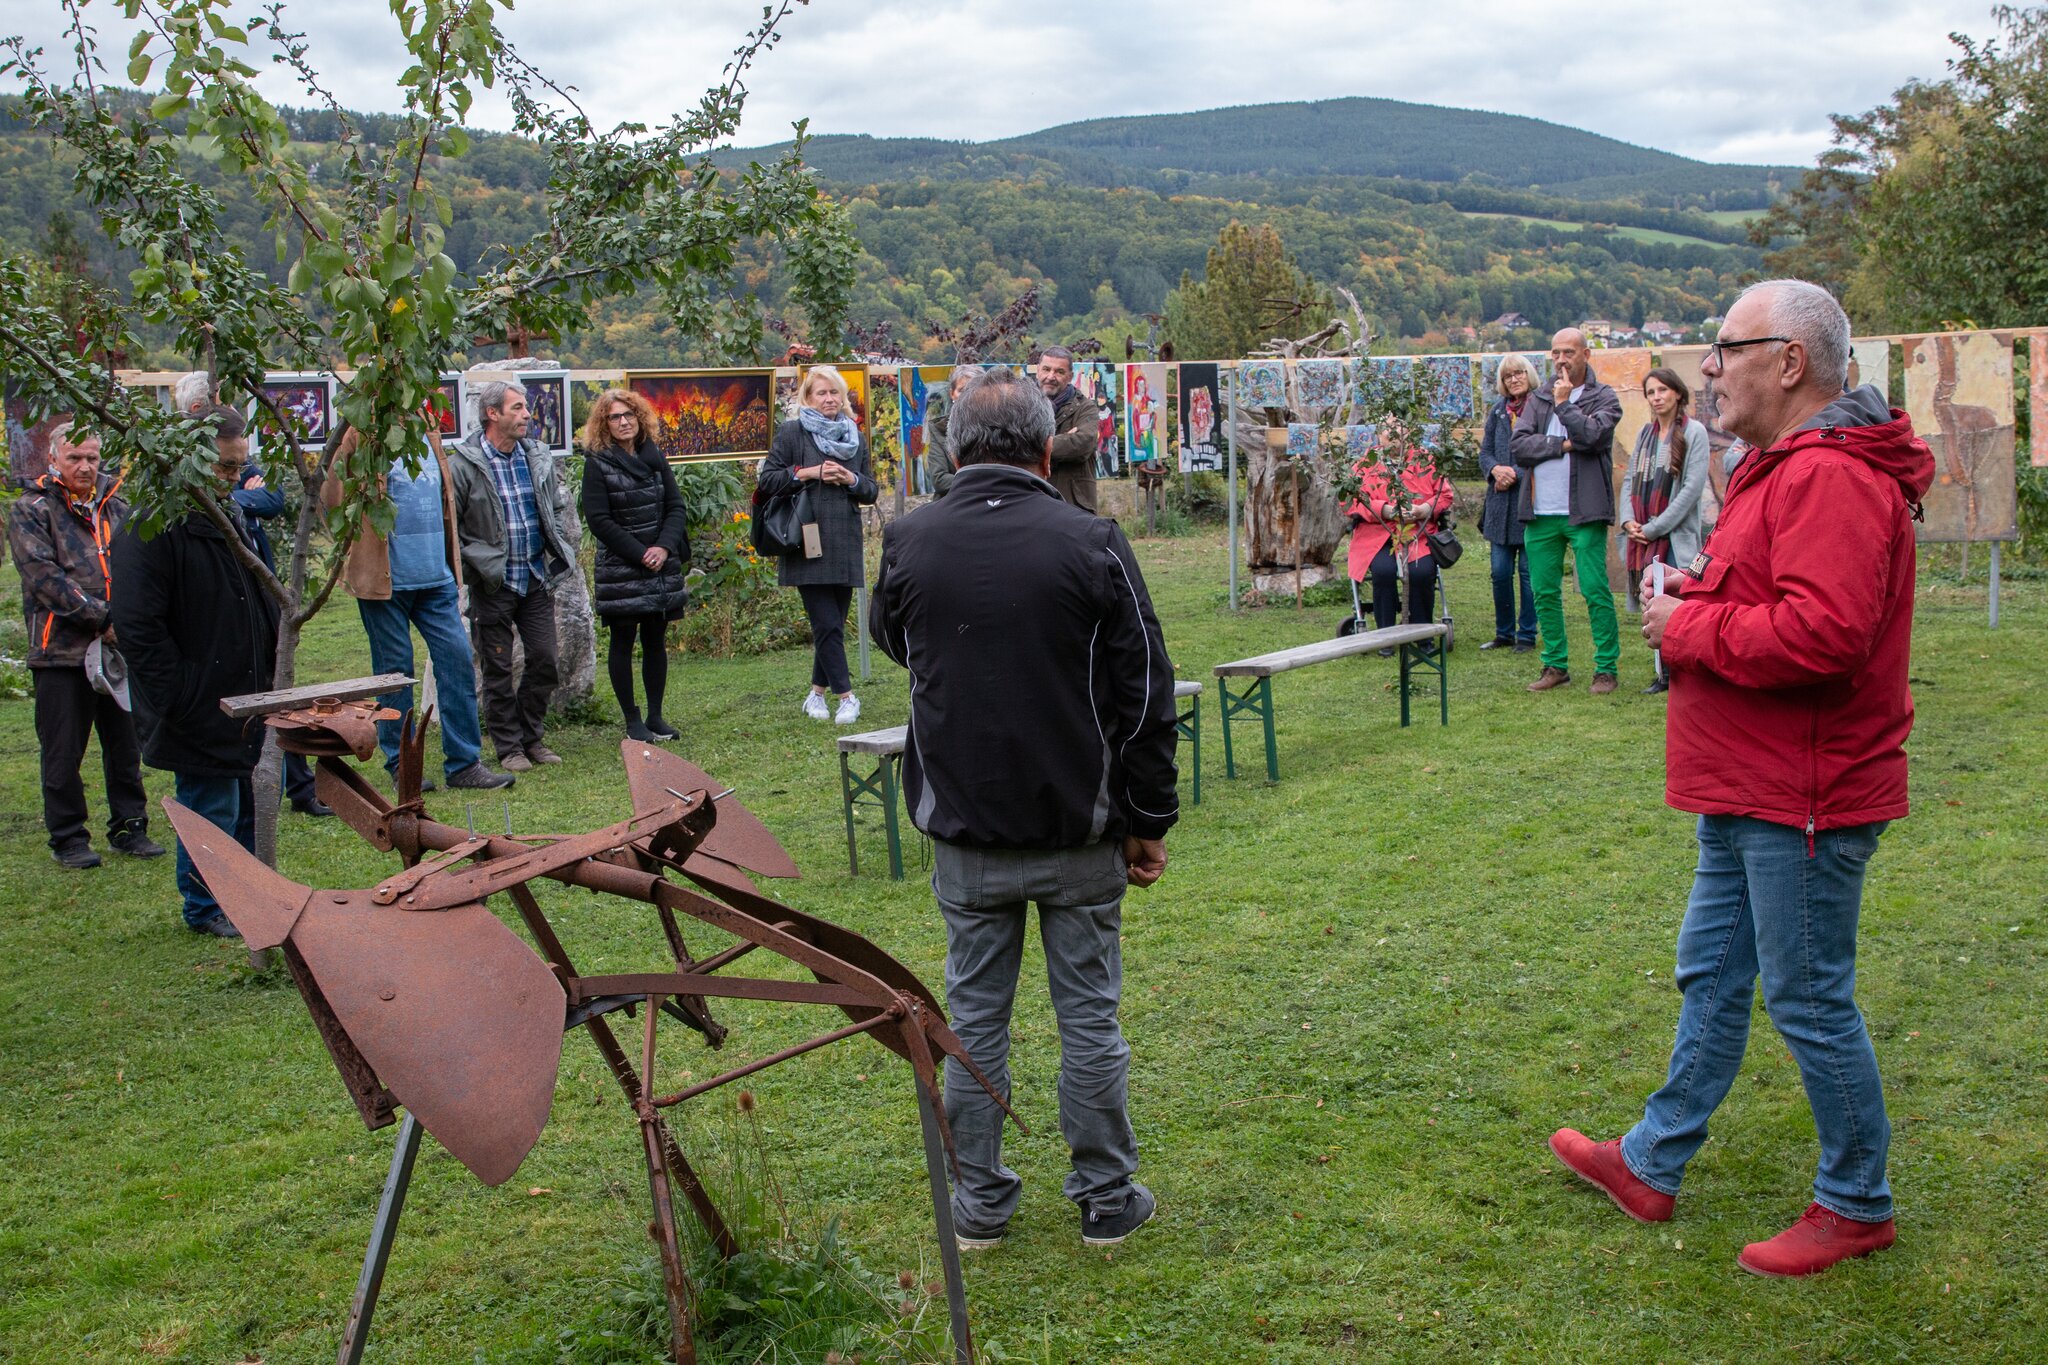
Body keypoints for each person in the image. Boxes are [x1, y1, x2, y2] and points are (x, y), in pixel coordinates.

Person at [1549, 279, 1932, 1279]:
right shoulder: (1785, 465)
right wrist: (1699, 588)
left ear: (1789, 362)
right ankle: (1650, 1160)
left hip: (1803, 788)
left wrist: (1688, 627)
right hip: (1752, 779)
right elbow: (1775, 592)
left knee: (1808, 1000)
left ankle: (1856, 1201)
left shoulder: (1830, 475)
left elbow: (1826, 636)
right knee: (1711, 973)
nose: (1709, 368)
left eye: (1726, 348)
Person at [869, 366, 1176, 1251]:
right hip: (1078, 827)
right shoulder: (1091, 539)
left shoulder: (910, 540)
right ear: (1046, 450)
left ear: (953, 449)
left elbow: (895, 638)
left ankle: (981, 1203)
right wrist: (1147, 820)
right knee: (1088, 1019)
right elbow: (1146, 693)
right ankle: (1105, 1195)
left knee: (973, 1022)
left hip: (969, 832)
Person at [111, 407, 280, 938]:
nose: (235, 478)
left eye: (240, 466)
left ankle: (245, 894)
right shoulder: (152, 524)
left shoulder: (223, 513)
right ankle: (207, 906)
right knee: (209, 804)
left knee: (244, 799)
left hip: (244, 689)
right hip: (200, 696)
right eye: (226, 467)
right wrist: (179, 694)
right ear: (191, 460)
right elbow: (137, 625)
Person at [7, 421, 162, 869]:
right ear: (53, 458)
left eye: (92, 457)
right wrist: (103, 619)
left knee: (125, 746)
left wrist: (130, 622)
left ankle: (130, 826)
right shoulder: (32, 508)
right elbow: (43, 577)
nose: (84, 466)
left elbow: (138, 566)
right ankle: (69, 836)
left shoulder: (118, 506)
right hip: (59, 651)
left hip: (117, 650)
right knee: (63, 752)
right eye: (74, 457)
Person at [326, 426, 513, 793]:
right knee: (395, 673)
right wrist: (352, 548)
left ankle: (464, 765)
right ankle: (403, 766)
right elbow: (333, 497)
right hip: (385, 582)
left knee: (457, 661)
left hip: (435, 577)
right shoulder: (362, 432)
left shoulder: (427, 430)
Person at [175, 372, 327, 815]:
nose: (228, 413)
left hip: (259, 589)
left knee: (277, 688)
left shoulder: (236, 457)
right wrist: (240, 497)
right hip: (218, 622)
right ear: (195, 413)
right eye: (216, 405)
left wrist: (237, 496)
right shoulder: (181, 481)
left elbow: (274, 500)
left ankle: (299, 785)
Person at [446, 379, 576, 773]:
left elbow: (553, 508)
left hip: (535, 576)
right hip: (493, 582)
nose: (527, 415)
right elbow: (452, 527)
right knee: (498, 667)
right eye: (517, 408)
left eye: (525, 407)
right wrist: (474, 563)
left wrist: (558, 543)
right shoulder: (463, 466)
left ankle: (531, 736)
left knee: (545, 658)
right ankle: (509, 747)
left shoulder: (535, 456)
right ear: (492, 414)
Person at [757, 366, 877, 725]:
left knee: (832, 624)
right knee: (826, 624)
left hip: (844, 538)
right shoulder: (792, 432)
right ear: (807, 398)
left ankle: (815, 695)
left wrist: (851, 478)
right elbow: (768, 480)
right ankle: (847, 698)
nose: (829, 399)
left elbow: (871, 490)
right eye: (821, 393)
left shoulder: (855, 437)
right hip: (806, 538)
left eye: (834, 392)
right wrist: (808, 473)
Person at [1512, 328, 1624, 694]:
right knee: (1544, 592)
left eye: (1569, 352)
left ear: (1586, 355)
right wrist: (1562, 444)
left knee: (1594, 590)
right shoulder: (1538, 397)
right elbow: (1519, 446)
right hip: (1540, 512)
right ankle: (1555, 665)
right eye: (1556, 352)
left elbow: (1593, 437)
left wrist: (1564, 405)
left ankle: (1605, 668)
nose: (1561, 360)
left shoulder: (1603, 397)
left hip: (1584, 511)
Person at [579, 388, 690, 743]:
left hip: (660, 564)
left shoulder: (653, 454)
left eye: (629, 415)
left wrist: (663, 547)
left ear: (639, 417)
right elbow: (599, 520)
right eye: (615, 417)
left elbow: (675, 506)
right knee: (623, 641)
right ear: (605, 423)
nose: (624, 422)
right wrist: (642, 553)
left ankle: (656, 716)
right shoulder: (598, 462)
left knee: (656, 640)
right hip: (622, 568)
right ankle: (632, 720)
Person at [1620, 368, 1710, 693]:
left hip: (1674, 537)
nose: (1656, 397)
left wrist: (1654, 528)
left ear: (1678, 393)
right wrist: (1628, 520)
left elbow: (1691, 490)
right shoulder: (1646, 434)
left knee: (1675, 601)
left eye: (1662, 390)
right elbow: (1630, 479)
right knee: (1652, 601)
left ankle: (1676, 671)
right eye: (1651, 392)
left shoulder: (1695, 432)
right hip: (1644, 537)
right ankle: (1663, 671)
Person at [1344, 424, 1454, 651]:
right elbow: (1349, 500)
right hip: (1377, 535)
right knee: (1383, 572)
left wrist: (1424, 509)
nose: (1395, 435)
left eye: (1400, 429)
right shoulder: (1365, 464)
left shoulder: (1425, 459)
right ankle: (1386, 637)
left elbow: (1443, 495)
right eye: (1389, 430)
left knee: (1421, 572)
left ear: (1409, 433)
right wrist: (1383, 510)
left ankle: (1423, 636)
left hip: (1418, 534)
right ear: (1379, 435)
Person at [1476, 356, 1540, 652]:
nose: (1514, 380)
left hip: (1530, 505)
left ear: (1529, 375)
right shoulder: (1498, 411)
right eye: (1507, 376)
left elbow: (1546, 451)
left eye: (1519, 373)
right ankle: (1504, 633)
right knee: (1500, 572)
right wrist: (1494, 470)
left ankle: (1526, 634)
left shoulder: (1541, 408)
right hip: (1500, 506)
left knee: (1528, 574)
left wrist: (1515, 473)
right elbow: (1485, 452)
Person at [1038, 346, 1100, 513]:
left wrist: (1032, 445)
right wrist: (1063, 440)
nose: (1051, 377)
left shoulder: (1085, 408)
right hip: (1035, 499)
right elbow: (1011, 441)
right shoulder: (1025, 405)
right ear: (1038, 371)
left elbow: (1082, 444)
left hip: (1074, 504)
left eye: (1059, 372)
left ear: (1070, 377)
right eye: (1046, 369)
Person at [922, 365, 982, 501]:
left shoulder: (997, 426)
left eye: (973, 389)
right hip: (950, 503)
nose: (967, 395)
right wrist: (980, 483)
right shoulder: (939, 429)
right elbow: (939, 479)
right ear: (952, 394)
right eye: (962, 390)